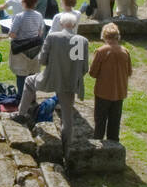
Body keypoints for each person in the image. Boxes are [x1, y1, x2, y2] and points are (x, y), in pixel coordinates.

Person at [10, 14, 88, 155]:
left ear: (61, 24)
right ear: (74, 25)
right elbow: (84, 68)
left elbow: (43, 60)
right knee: (67, 115)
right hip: (69, 82)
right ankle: (67, 148)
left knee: (29, 81)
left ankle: (21, 113)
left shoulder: (53, 37)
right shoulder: (82, 41)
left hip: (51, 78)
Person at [89, 23, 131, 142]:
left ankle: (98, 145)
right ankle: (114, 147)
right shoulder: (125, 51)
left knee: (100, 122)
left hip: (103, 92)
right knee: (115, 122)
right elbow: (129, 72)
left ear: (104, 36)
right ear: (117, 37)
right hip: (119, 93)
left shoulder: (101, 51)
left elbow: (93, 73)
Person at [8, 0, 44, 98]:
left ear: (23, 2)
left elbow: (12, 34)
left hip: (21, 49)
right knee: (32, 74)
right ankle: (32, 97)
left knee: (21, 74)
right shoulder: (39, 15)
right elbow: (40, 32)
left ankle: (21, 97)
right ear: (35, 3)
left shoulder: (19, 16)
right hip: (34, 48)